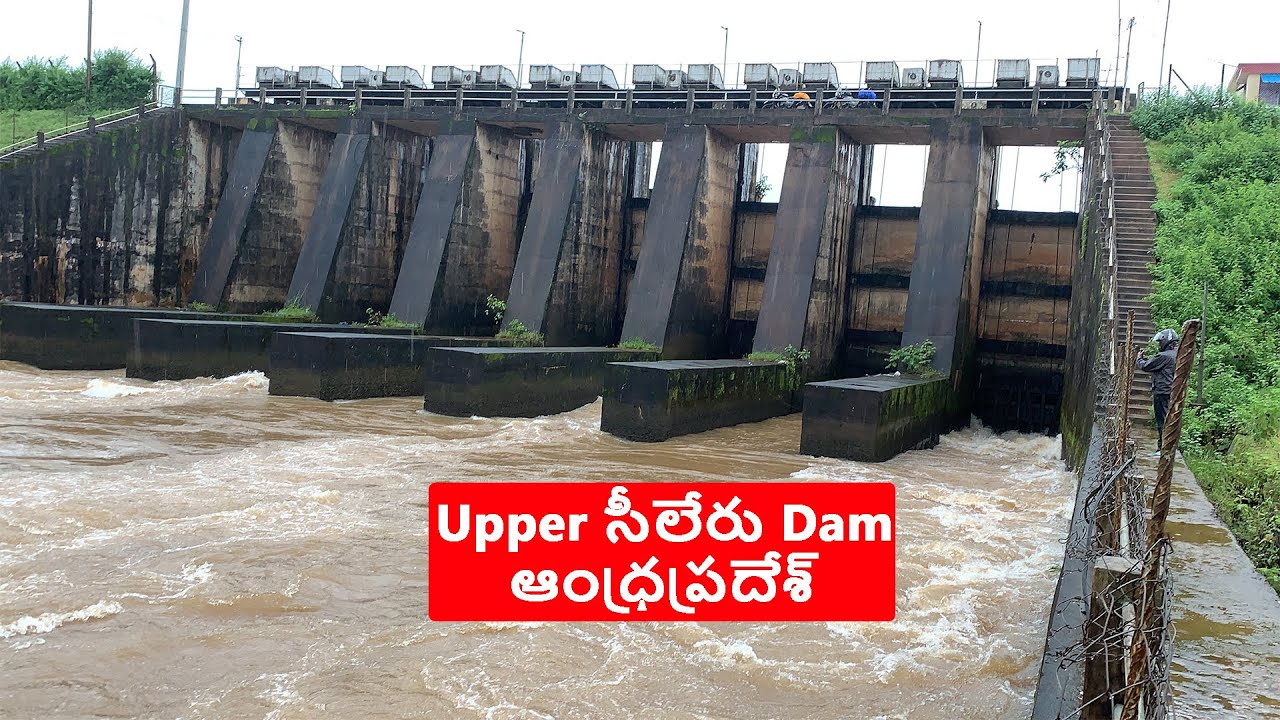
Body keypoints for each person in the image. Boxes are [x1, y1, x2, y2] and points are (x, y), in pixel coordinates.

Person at [1136, 329, 1178, 455]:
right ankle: (1166, 447)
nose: (1160, 344)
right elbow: (1156, 363)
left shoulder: (1164, 356)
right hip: (1171, 391)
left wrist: (1139, 358)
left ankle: (1162, 449)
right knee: (1168, 419)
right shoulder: (1175, 354)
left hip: (1162, 391)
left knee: (1162, 421)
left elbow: (1146, 366)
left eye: (1161, 342)